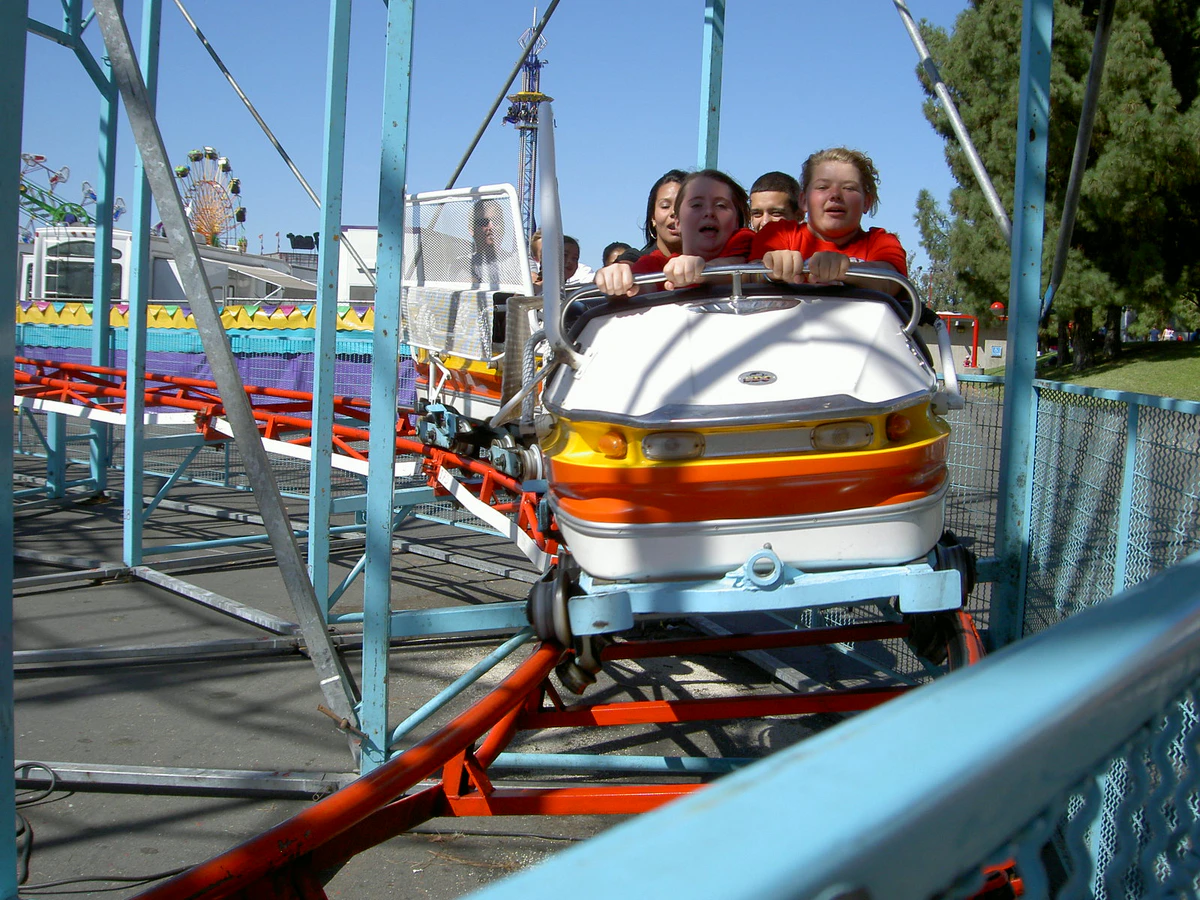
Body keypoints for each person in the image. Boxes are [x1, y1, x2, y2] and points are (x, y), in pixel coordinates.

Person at [751, 148, 907, 295]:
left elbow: (891, 282)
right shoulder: (778, 233)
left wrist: (846, 268)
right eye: (822, 187)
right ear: (803, 200)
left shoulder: (881, 242)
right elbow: (747, 277)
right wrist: (769, 268)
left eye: (849, 188)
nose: (835, 195)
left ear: (867, 202)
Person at [594, 169, 754, 297]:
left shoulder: (745, 240)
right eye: (696, 205)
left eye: (720, 205)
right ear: (678, 221)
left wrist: (703, 270)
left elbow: (742, 271)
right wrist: (617, 280)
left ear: (738, 219)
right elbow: (640, 287)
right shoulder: (656, 263)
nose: (709, 212)